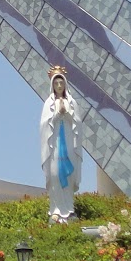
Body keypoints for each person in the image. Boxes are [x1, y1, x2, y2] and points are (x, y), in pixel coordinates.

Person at [40, 66, 80, 222]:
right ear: (52, 85)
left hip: (68, 143)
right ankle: (55, 208)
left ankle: (69, 208)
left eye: (61, 83)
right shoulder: (48, 104)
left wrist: (67, 113)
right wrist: (57, 114)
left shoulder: (72, 102)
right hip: (55, 143)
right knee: (55, 173)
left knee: (69, 175)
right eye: (56, 83)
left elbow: (78, 124)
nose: (58, 86)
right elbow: (44, 125)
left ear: (65, 85)